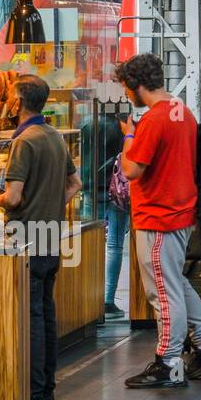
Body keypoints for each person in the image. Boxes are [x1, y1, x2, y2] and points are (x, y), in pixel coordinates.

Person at [115, 53, 201, 389]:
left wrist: (128, 137)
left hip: (158, 217)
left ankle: (168, 362)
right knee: (177, 285)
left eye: (126, 88)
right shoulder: (182, 111)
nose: (126, 95)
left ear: (137, 86)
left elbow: (132, 169)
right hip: (180, 212)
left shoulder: (153, 120)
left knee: (163, 294)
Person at [0, 76, 82, 400]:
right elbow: (75, 184)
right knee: (46, 313)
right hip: (50, 236)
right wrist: (50, 203)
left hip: (25, 239)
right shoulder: (54, 136)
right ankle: (46, 390)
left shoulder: (25, 141)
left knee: (32, 316)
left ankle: (34, 394)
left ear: (18, 103)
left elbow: (14, 198)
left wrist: (2, 198)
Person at [80, 109, 128, 320]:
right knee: (114, 245)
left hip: (91, 187)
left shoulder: (86, 122)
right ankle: (107, 300)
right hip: (116, 190)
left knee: (90, 242)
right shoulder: (121, 126)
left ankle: (88, 300)